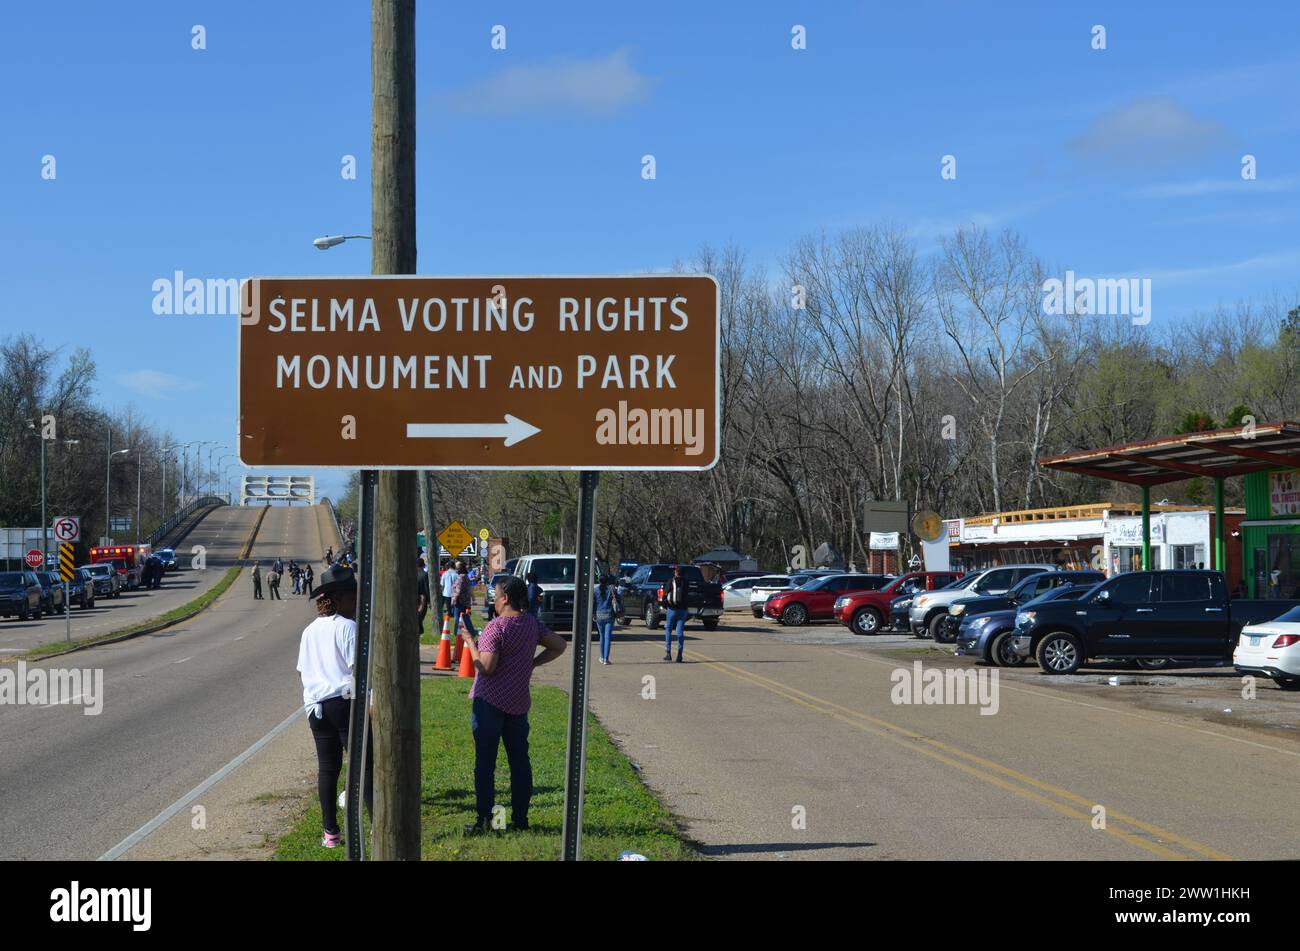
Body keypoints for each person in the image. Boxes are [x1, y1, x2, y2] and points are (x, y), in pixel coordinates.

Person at [460, 575, 567, 833]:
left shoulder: (496, 628)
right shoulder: (532, 624)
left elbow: (486, 668)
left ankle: (484, 820)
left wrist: (471, 643)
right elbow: (560, 645)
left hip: (489, 702)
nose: (494, 601)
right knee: (520, 762)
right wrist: (534, 662)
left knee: (485, 763)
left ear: (505, 598)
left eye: (495, 596)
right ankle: (521, 820)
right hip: (518, 702)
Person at [296, 563, 373, 849]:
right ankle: (377, 822)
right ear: (337, 598)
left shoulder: (309, 631)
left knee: (328, 769)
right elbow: (358, 672)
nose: (356, 603)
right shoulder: (348, 627)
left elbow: (302, 671)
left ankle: (330, 833)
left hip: (315, 706)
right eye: (352, 598)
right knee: (365, 764)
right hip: (343, 702)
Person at [663, 564, 689, 663]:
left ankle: (668, 653)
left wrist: (665, 605)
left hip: (672, 609)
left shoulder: (670, 581)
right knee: (680, 631)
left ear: (675, 572)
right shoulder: (686, 582)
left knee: (668, 629)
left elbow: (665, 594)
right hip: (683, 610)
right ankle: (679, 654)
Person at [594, 575, 621, 665]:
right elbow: (619, 599)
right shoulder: (611, 590)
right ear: (607, 581)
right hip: (609, 615)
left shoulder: (595, 590)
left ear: (599, 580)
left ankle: (601, 657)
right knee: (608, 637)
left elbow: (594, 603)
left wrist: (594, 614)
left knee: (601, 637)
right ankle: (606, 659)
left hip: (599, 615)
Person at [452, 561, 476, 640]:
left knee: (457, 618)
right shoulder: (466, 576)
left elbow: (458, 590)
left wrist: (454, 600)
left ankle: (457, 634)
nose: (456, 569)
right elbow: (470, 589)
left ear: (460, 569)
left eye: (457, 568)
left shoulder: (461, 577)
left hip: (460, 601)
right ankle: (471, 632)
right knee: (465, 617)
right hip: (466, 601)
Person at [417, 557, 430, 633]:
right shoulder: (425, 575)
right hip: (422, 600)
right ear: (423, 565)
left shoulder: (411, 574)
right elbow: (426, 589)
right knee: (420, 618)